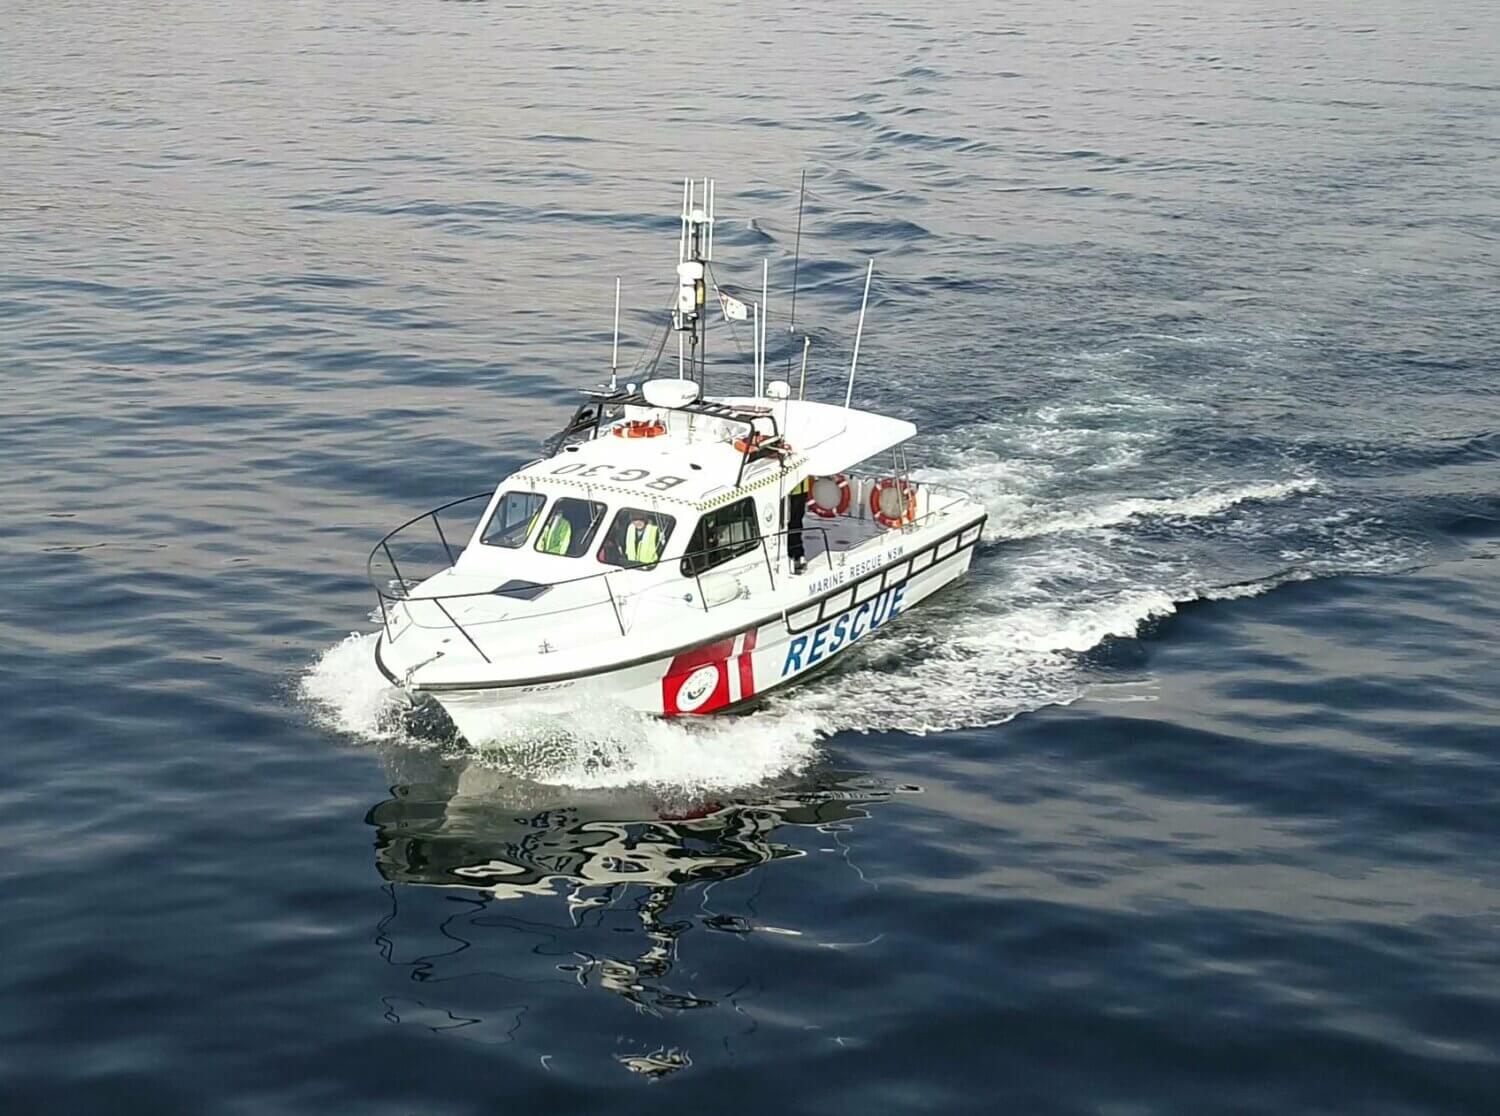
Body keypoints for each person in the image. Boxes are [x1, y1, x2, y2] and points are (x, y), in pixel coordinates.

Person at [788, 475, 810, 574]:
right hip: (793, 492)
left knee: (796, 523)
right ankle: (796, 554)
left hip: (800, 490)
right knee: (793, 523)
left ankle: (797, 554)